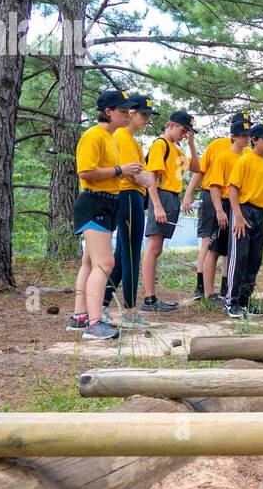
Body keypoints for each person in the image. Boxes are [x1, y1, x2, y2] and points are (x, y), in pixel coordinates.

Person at [70, 89, 142, 340]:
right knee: (106, 263)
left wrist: (122, 171)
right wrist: (120, 169)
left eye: (128, 112)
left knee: (90, 263)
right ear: (108, 112)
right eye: (123, 112)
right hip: (94, 203)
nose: (127, 116)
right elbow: (85, 172)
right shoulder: (94, 135)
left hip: (107, 203)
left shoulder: (111, 137)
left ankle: (80, 317)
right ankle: (94, 323)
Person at [102, 93, 155, 329]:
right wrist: (145, 178)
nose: (146, 119)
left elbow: (145, 176)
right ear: (131, 113)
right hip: (128, 196)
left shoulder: (133, 141)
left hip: (134, 197)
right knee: (131, 253)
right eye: (143, 114)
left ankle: (102, 304)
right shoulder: (122, 137)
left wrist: (145, 178)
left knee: (123, 257)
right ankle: (130, 312)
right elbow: (137, 176)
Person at [139, 110, 199, 313]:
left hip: (172, 197)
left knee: (158, 247)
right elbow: (151, 177)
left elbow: (197, 168)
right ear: (171, 125)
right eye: (183, 130)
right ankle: (149, 299)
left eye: (187, 132)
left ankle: (152, 296)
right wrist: (156, 205)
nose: (184, 134)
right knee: (153, 246)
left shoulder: (177, 150)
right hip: (162, 196)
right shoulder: (160, 145)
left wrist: (191, 143)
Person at [188, 112, 252, 299]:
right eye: (242, 128)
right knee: (210, 242)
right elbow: (200, 171)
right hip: (213, 196)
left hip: (236, 202)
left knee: (230, 245)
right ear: (233, 130)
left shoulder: (248, 153)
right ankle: (203, 288)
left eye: (248, 129)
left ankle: (226, 286)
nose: (246, 135)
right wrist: (189, 194)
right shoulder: (217, 146)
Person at [221, 123, 263, 317]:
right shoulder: (244, 161)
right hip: (243, 210)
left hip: (259, 213)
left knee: (255, 259)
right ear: (254, 140)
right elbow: (232, 188)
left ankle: (244, 301)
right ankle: (231, 301)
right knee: (239, 257)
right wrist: (237, 215)